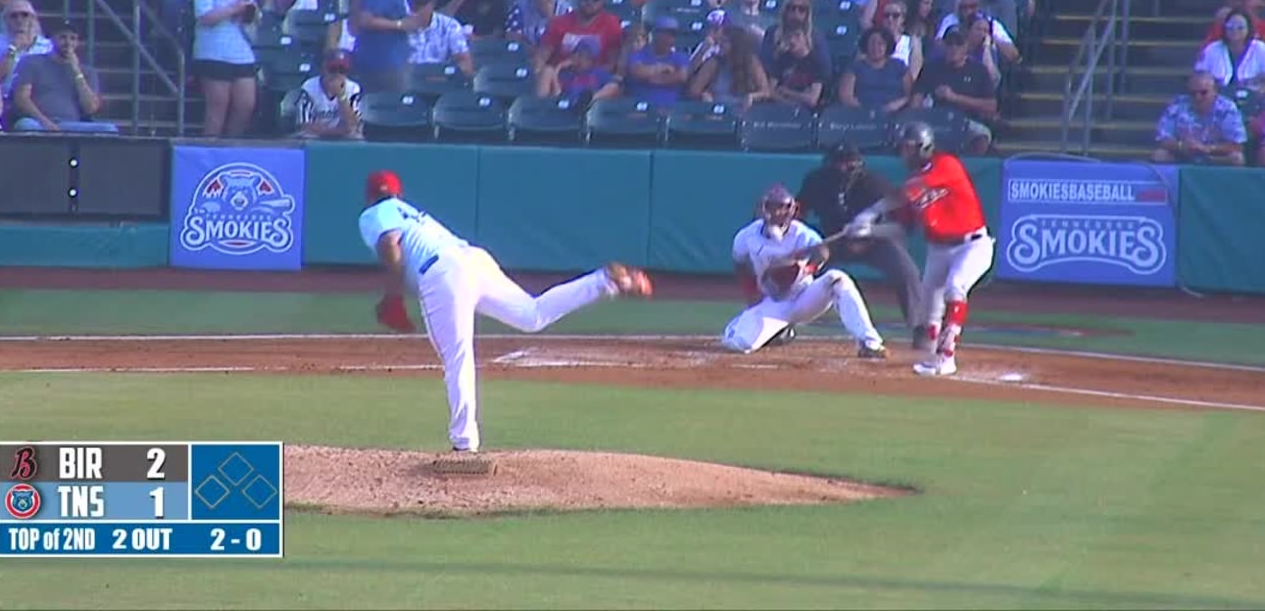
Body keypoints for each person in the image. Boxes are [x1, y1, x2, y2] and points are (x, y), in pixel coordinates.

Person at [358, 169, 652, 453]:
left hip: (442, 273)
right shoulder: (412, 212)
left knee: (458, 357)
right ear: (399, 192)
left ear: (369, 196)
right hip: (473, 258)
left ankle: (464, 444)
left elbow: (389, 243)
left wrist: (393, 295)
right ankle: (603, 281)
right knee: (531, 314)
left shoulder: (373, 214)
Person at [848, 121, 994, 377]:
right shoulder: (914, 182)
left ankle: (946, 356)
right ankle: (932, 355)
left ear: (924, 148)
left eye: (909, 148)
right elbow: (902, 230)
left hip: (971, 244)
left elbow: (905, 194)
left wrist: (872, 212)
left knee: (955, 287)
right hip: (938, 249)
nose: (904, 153)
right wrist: (867, 229)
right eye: (903, 148)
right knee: (929, 310)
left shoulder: (945, 164)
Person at [722, 184, 887, 357]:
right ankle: (742, 326)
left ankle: (870, 343)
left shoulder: (802, 234)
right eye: (772, 206)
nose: (777, 212)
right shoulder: (747, 236)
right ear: (763, 208)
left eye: (781, 207)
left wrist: (806, 268)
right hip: (772, 301)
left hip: (803, 296)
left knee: (838, 279)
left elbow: (822, 252)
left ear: (791, 209)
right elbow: (739, 263)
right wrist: (751, 294)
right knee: (741, 344)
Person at [795, 143, 923, 344]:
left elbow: (899, 225)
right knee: (799, 266)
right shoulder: (816, 180)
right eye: (840, 163)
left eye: (850, 163)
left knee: (905, 270)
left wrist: (869, 237)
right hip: (831, 239)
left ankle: (920, 328)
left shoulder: (874, 183)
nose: (845, 168)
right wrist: (802, 239)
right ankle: (784, 323)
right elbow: (799, 212)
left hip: (874, 241)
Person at [192, 0, 262, 137]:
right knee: (217, 107)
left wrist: (251, 13)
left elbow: (252, 18)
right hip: (214, 52)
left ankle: (232, 145)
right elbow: (205, 17)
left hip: (241, 53)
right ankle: (209, 148)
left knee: (246, 105)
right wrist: (232, 9)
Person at [11, 23, 119, 134]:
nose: (68, 43)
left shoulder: (87, 71)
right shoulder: (31, 62)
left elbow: (90, 108)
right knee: (26, 125)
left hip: (71, 125)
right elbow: (22, 98)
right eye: (63, 37)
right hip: (38, 123)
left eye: (73, 38)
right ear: (52, 39)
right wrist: (45, 122)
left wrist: (77, 72)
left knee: (109, 129)